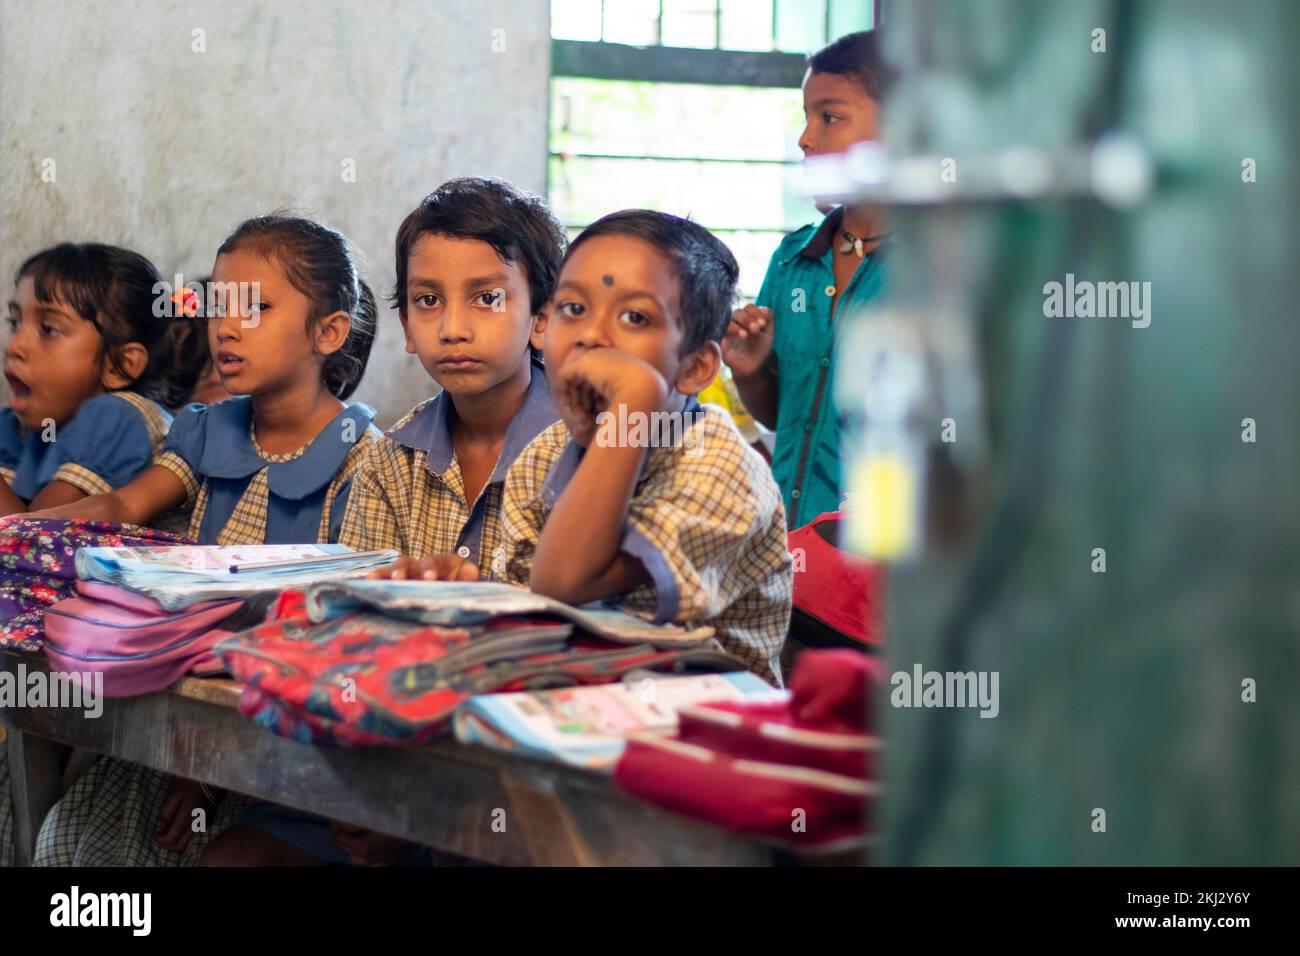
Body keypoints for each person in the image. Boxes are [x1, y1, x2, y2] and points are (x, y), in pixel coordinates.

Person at [28, 214, 380, 867]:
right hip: (184, 705)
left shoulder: (362, 458)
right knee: (66, 844)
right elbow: (126, 504)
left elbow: (328, 627)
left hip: (281, 732)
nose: (227, 325)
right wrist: (23, 534)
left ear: (328, 332)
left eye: (257, 307)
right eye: (220, 304)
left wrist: (209, 768)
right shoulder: (204, 431)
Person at [724, 30, 892, 528]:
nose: (806, 138)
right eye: (807, 117)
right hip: (791, 551)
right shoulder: (793, 259)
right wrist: (750, 370)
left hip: (882, 568)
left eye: (830, 117)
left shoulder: (942, 271)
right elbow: (784, 418)